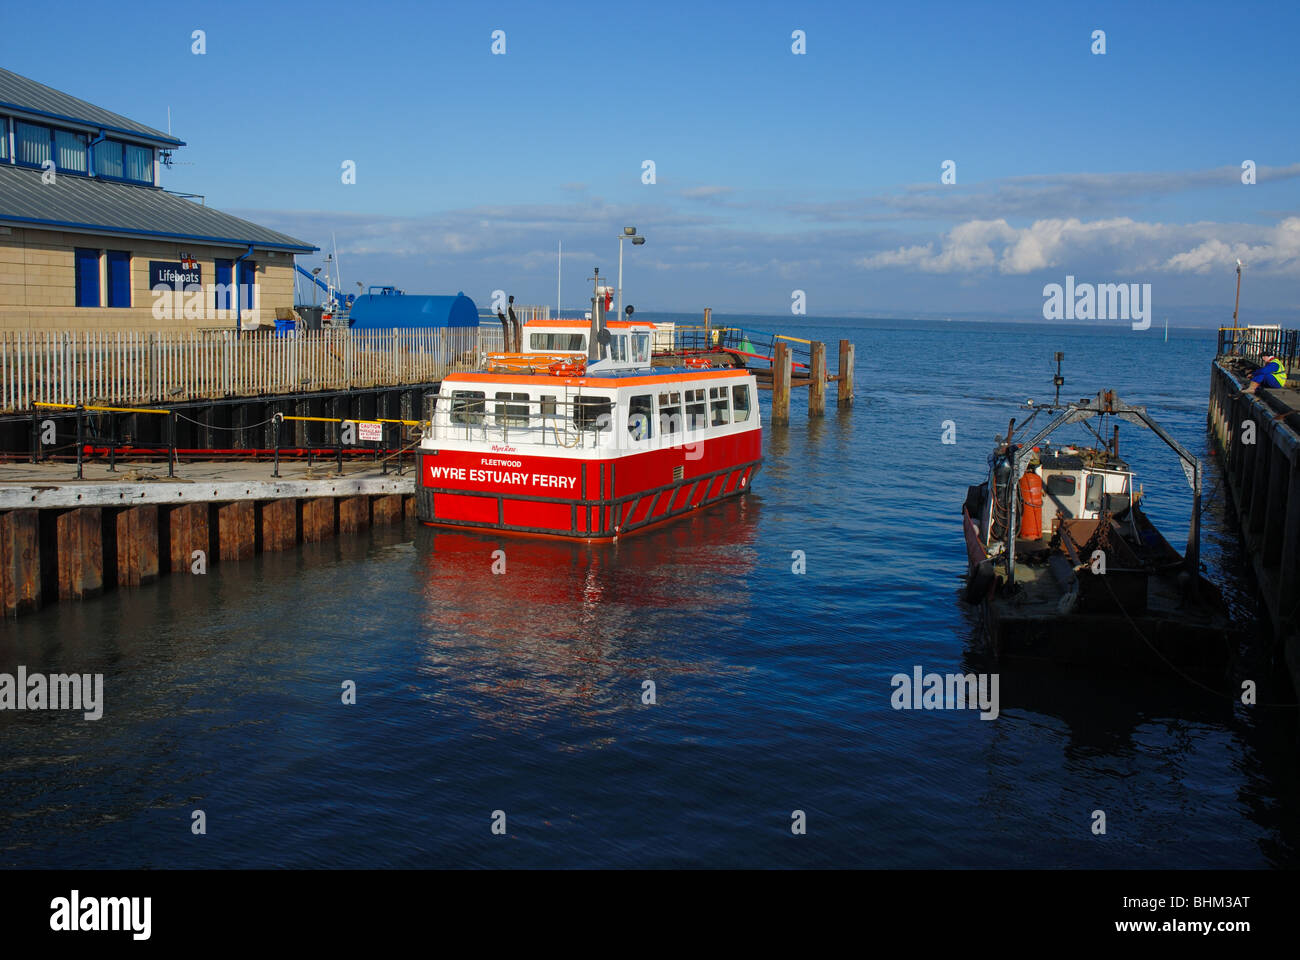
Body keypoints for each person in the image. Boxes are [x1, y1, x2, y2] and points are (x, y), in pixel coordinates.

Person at [1018, 457, 1044, 540]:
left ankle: (1028, 534)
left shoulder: (1026, 479)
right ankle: (1033, 534)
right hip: (1031, 505)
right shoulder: (1036, 479)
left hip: (1028, 504)